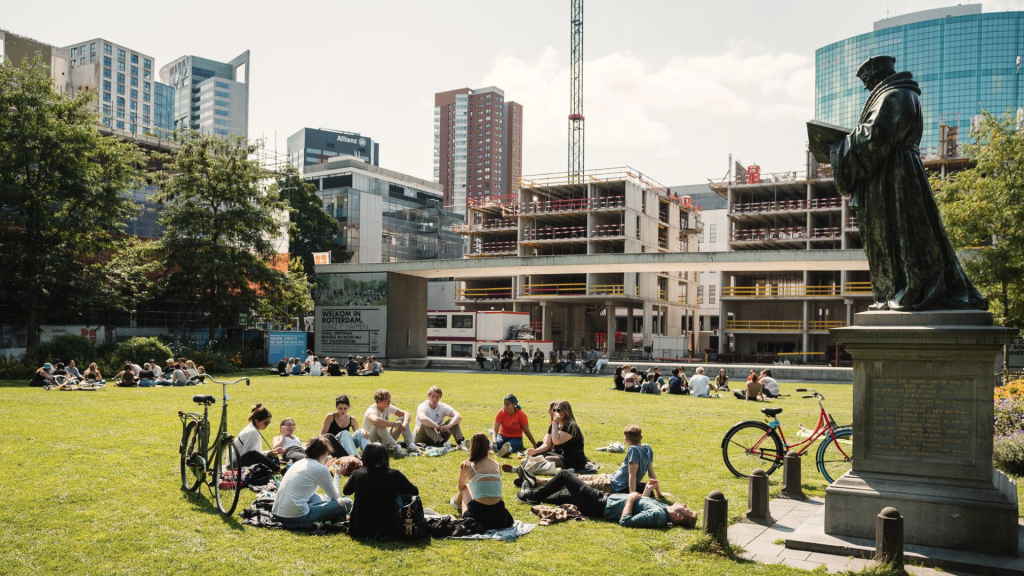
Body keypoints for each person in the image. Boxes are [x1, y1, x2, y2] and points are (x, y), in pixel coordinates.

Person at [516, 470, 696, 529]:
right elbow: (643, 507)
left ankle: (530, 496)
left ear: (679, 517)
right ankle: (536, 492)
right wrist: (647, 491)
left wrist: (631, 499)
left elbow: (626, 521)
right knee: (563, 495)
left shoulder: (658, 515)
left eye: (687, 509)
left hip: (600, 504)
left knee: (564, 475)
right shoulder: (661, 511)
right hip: (602, 501)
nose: (685, 505)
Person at [524, 424, 658, 495]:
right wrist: (659, 492)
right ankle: (536, 480)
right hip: (609, 478)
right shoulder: (647, 448)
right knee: (575, 476)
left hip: (610, 485)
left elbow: (632, 476)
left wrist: (632, 495)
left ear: (626, 440)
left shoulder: (633, 450)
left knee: (572, 482)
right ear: (641, 437)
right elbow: (651, 473)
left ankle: (537, 481)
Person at [272, 435, 353, 526]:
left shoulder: (299, 463)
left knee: (321, 497)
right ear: (324, 453)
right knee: (347, 502)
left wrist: (325, 468)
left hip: (277, 513)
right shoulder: (320, 468)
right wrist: (337, 475)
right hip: (297, 517)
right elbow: (335, 497)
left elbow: (310, 488)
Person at [344, 443, 419, 540]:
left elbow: (346, 491)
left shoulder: (357, 474)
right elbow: (414, 491)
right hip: (388, 527)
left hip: (359, 527)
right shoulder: (394, 474)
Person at [452, 433, 514, 530]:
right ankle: (456, 502)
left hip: (477, 518)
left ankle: (456, 502)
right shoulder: (497, 465)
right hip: (500, 518)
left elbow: (460, 486)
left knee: (465, 487)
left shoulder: (467, 466)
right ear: (489, 447)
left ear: (471, 448)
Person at [527, 400, 587, 470]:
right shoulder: (554, 425)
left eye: (558, 410)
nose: (556, 412)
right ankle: (532, 467)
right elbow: (547, 444)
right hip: (561, 454)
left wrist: (555, 421)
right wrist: (536, 451)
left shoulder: (570, 426)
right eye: (554, 410)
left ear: (566, 412)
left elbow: (556, 441)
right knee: (537, 455)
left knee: (548, 459)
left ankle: (536, 468)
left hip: (574, 458)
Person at [362, 389, 419, 456]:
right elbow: (375, 421)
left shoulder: (387, 407)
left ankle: (410, 445)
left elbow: (406, 413)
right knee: (379, 424)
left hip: (384, 439)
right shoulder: (371, 410)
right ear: (379, 401)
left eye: (389, 399)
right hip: (372, 442)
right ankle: (396, 448)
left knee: (402, 418)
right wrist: (394, 424)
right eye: (387, 400)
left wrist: (405, 424)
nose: (390, 401)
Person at [234, 403, 286, 470]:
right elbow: (250, 455)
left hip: (240, 461)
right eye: (265, 422)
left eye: (269, 422)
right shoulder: (252, 432)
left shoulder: (253, 429)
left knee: (272, 458)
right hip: (234, 465)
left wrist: (269, 452)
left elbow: (255, 454)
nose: (267, 425)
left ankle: (277, 469)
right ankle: (280, 469)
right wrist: (267, 454)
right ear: (257, 421)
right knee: (266, 460)